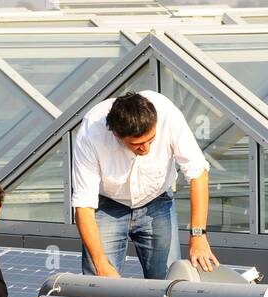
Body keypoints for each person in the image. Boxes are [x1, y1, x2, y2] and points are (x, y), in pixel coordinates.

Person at [72, 91, 219, 280]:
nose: (146, 149)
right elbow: (84, 204)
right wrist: (100, 264)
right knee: (100, 283)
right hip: (107, 206)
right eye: (137, 144)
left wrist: (198, 235)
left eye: (151, 140)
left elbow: (198, 172)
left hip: (157, 202)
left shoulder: (168, 115)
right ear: (116, 134)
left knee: (169, 282)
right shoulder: (91, 133)